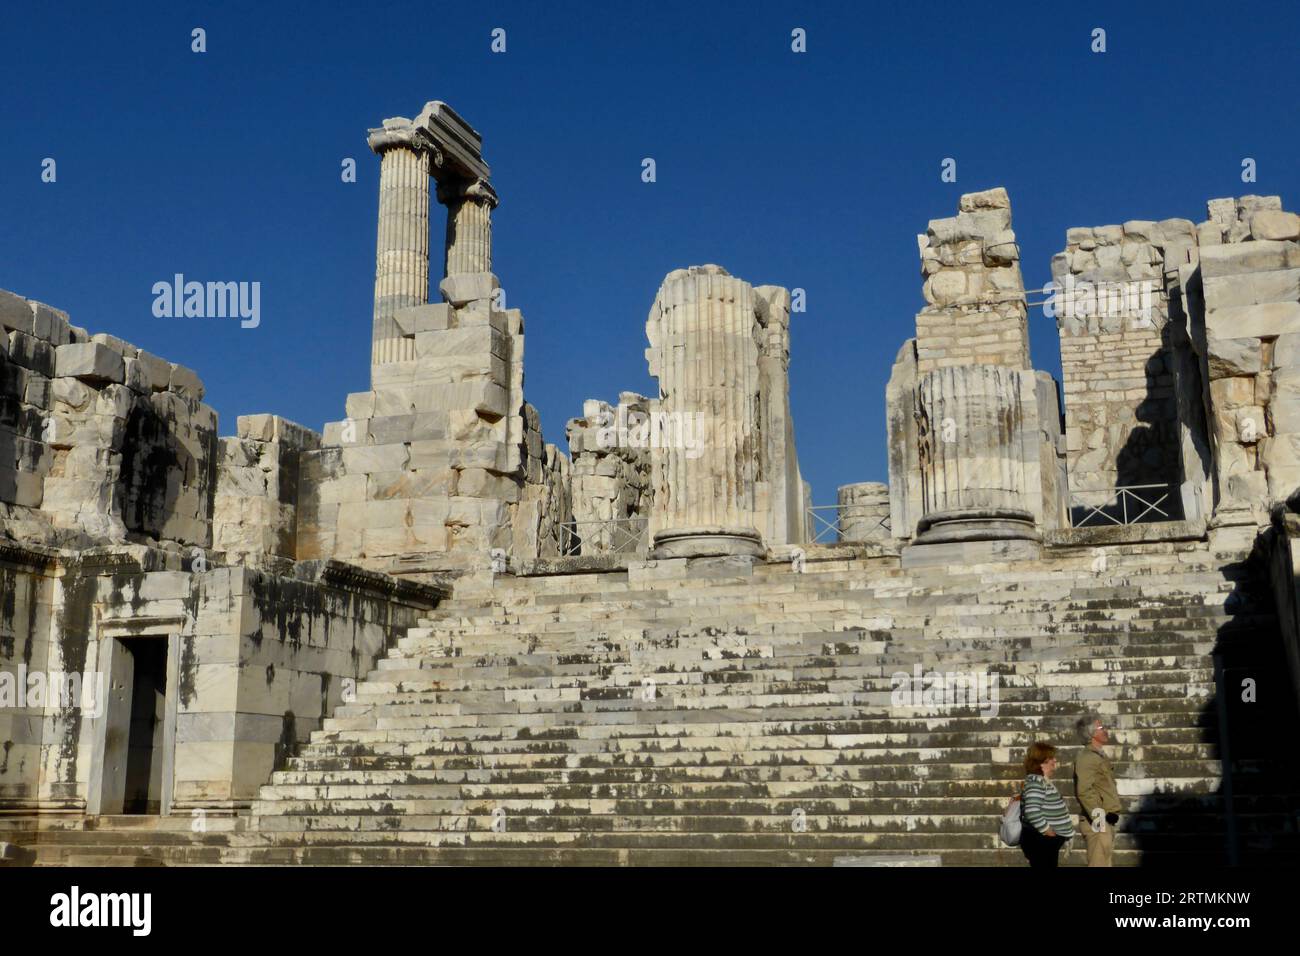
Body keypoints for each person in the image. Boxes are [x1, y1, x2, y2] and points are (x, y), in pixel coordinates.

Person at [1074, 713, 1122, 867]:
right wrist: (1100, 819)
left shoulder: (1098, 755)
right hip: (1097, 823)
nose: (1105, 730)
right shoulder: (1087, 757)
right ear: (1091, 733)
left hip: (1105, 821)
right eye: (1101, 727)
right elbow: (1084, 791)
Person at [1019, 741, 1074, 867]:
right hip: (1041, 842)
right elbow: (1032, 811)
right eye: (1051, 758)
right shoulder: (1036, 783)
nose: (1054, 760)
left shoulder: (1042, 781)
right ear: (1041, 763)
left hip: (1045, 842)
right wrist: (1048, 831)